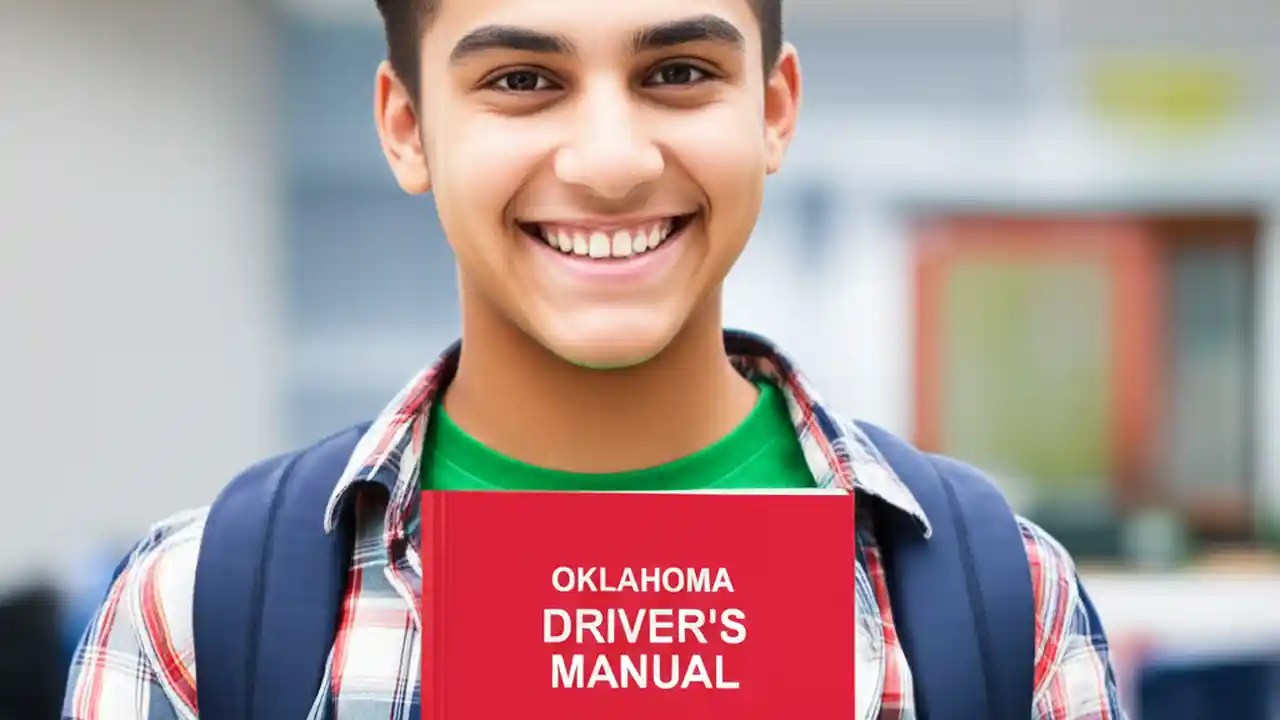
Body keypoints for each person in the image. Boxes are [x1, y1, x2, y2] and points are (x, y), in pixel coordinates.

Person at [63, 0, 1126, 717]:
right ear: (406, 127)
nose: (611, 164)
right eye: (523, 79)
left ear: (771, 109)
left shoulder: (1004, 603)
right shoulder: (189, 613)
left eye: (677, 71)